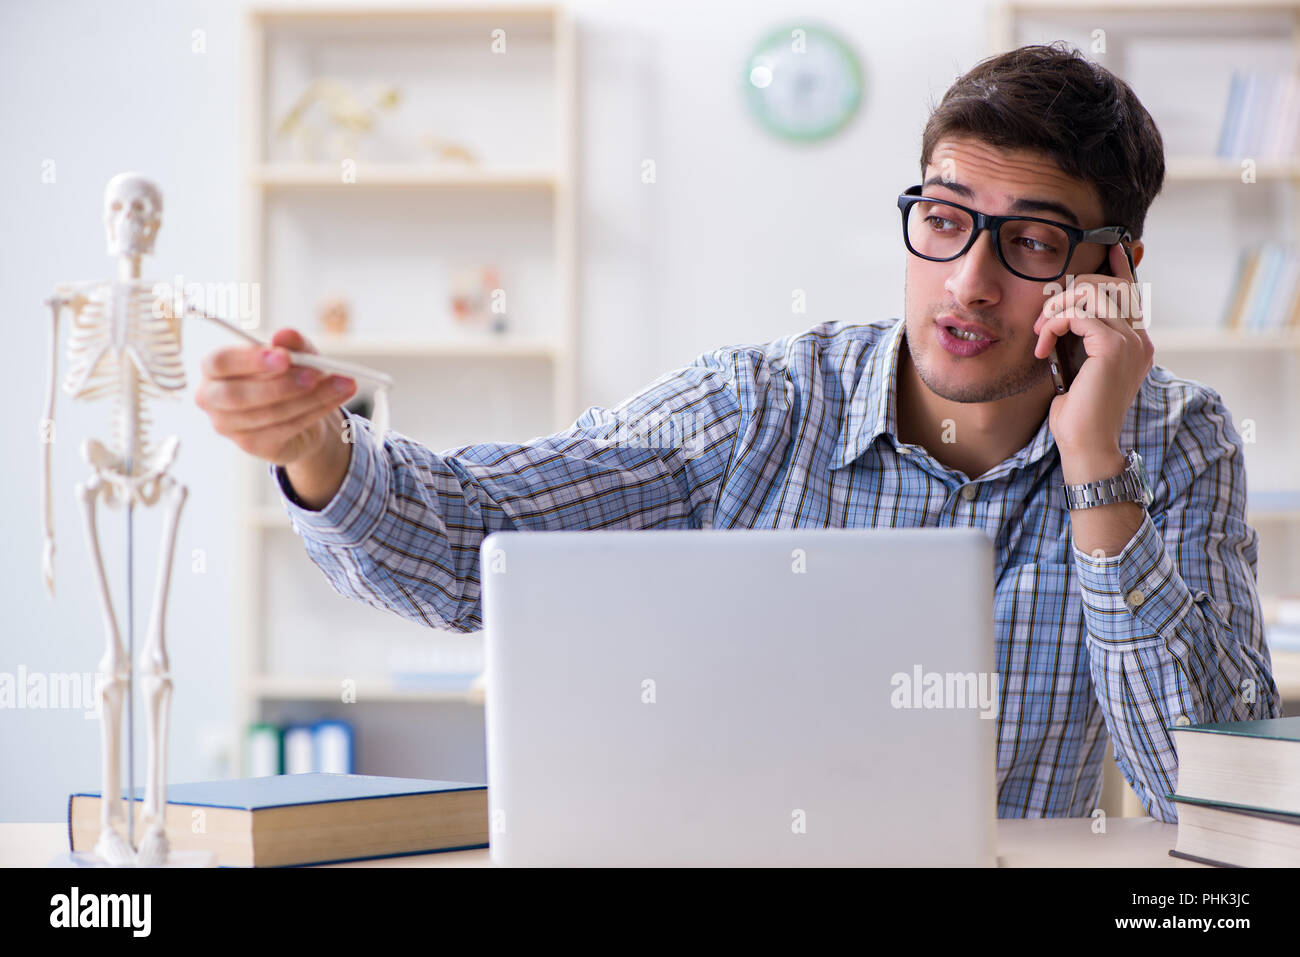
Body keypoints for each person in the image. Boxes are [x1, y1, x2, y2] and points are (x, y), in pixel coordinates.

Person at [195, 42, 1280, 822]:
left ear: (1112, 270)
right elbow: (478, 541)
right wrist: (316, 451)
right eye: (944, 220)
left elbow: (1208, 789)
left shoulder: (1176, 443)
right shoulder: (763, 405)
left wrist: (1096, 467)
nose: (968, 281)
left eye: (1030, 242)